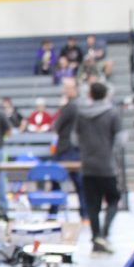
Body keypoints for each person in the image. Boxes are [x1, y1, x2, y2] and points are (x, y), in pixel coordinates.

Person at [76, 82, 122, 255]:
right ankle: (104, 233)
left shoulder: (82, 114)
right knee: (113, 200)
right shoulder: (112, 113)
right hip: (106, 166)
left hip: (87, 165)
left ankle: (96, 238)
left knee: (92, 205)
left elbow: (75, 138)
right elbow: (120, 139)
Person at [52, 77, 86, 221]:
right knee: (79, 184)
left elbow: (56, 126)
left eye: (68, 87)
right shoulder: (82, 105)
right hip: (76, 148)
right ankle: (85, 214)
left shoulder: (70, 106)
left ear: (75, 89)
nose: (65, 90)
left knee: (57, 180)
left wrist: (62, 107)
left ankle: (53, 213)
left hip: (67, 149)